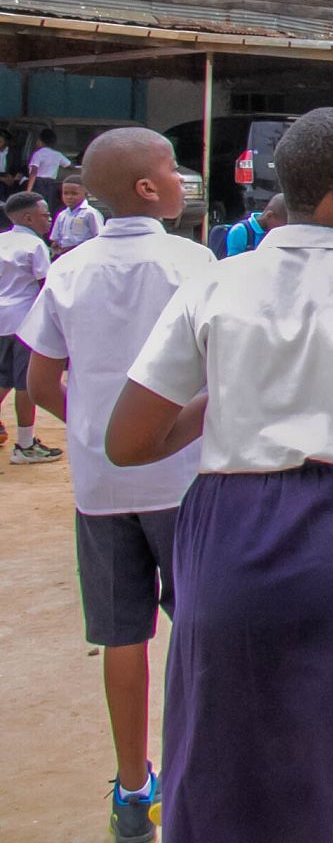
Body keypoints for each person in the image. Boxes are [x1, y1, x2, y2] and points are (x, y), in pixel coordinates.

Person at [107, 107, 333, 843]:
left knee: (220, 731)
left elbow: (129, 441)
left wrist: (226, 395)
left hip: (226, 527)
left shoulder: (216, 284)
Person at [15, 128, 213, 842]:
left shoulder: (69, 270)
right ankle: (202, 774)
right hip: (186, 480)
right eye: (172, 170)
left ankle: (133, 790)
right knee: (200, 629)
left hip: (101, 488)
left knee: (123, 636)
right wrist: (172, 433)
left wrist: (103, 434)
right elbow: (219, 364)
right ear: (150, 190)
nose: (181, 180)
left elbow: (39, 381)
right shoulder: (192, 261)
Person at [1, 191, 57, 462]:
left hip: (1, 320)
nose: (48, 219)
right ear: (28, 217)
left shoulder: (2, 240)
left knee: (3, 378)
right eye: (44, 214)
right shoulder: (35, 246)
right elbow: (45, 287)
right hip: (23, 322)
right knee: (24, 383)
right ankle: (25, 445)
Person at [50, 175, 104, 257]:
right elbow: (56, 238)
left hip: (83, 255)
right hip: (64, 255)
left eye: (74, 193)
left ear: (85, 194)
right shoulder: (62, 215)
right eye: (65, 193)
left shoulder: (90, 213)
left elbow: (99, 238)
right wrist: (55, 245)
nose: (69, 197)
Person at [223, 193, 287, 258]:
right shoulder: (240, 231)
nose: (282, 229)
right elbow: (233, 263)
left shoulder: (275, 233)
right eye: (282, 225)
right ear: (269, 216)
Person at [25, 128, 71, 209]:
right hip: (51, 183)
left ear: (40, 141)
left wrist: (28, 190)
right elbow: (68, 165)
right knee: (48, 205)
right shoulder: (58, 154)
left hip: (38, 183)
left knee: (37, 205)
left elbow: (34, 171)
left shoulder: (38, 154)